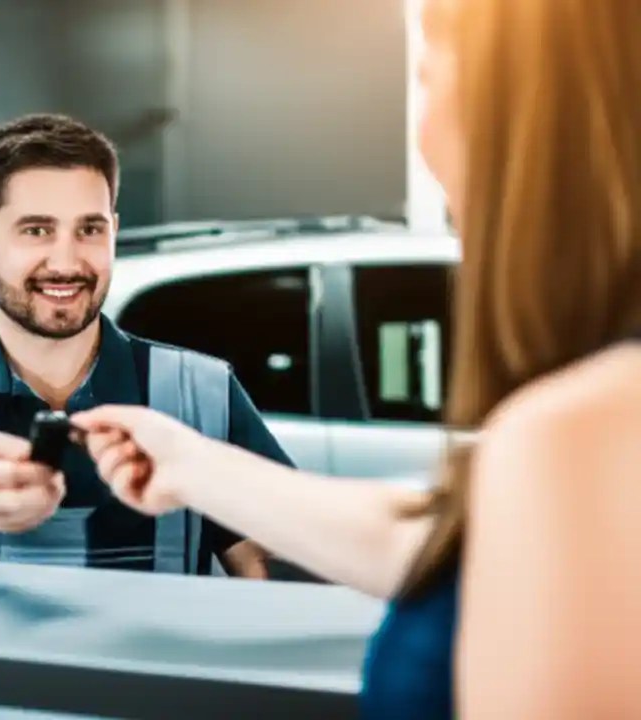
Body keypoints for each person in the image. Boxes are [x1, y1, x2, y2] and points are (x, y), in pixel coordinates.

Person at [75, 0, 641, 717]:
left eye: (429, 79)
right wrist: (188, 464)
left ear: (522, 112)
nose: (424, 131)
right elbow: (431, 540)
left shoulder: (576, 437)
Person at [0, 114, 293, 578]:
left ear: (114, 232)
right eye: (37, 230)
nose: (66, 262)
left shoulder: (204, 393)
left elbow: (271, 567)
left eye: (89, 230)